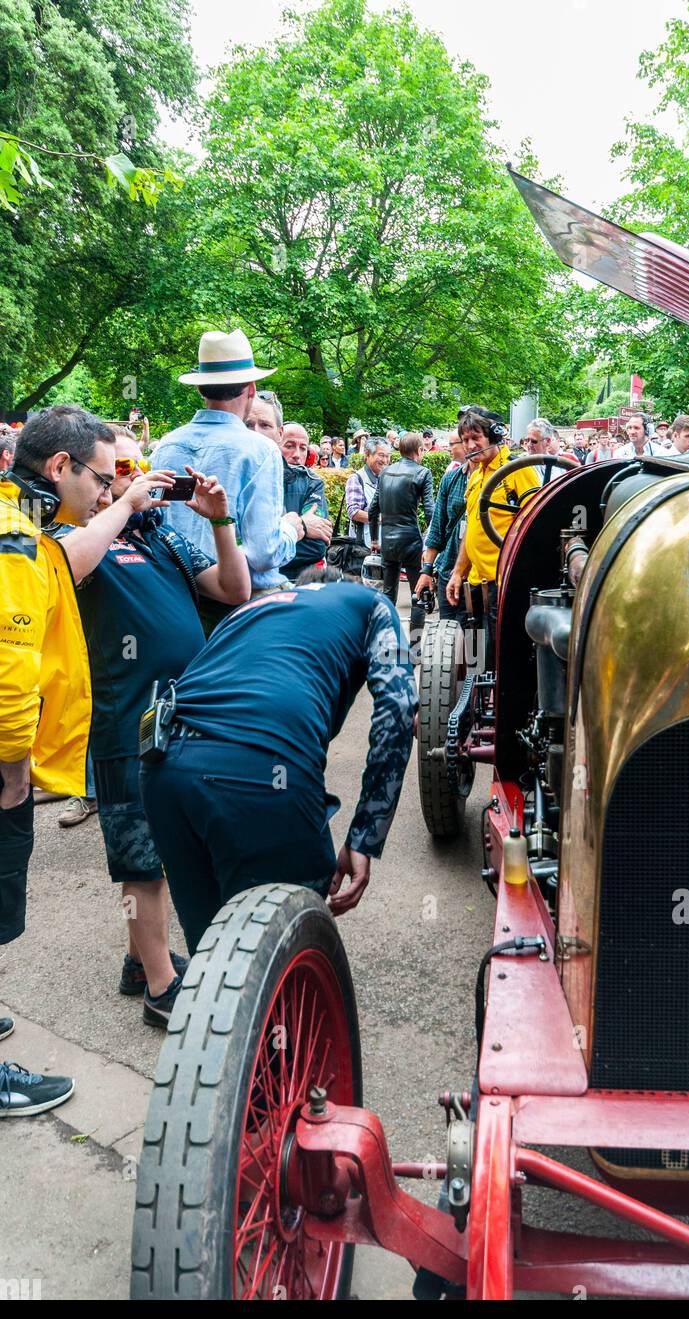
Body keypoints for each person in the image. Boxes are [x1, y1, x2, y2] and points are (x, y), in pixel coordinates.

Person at [57, 428, 250, 1026]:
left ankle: (142, 959)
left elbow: (234, 590)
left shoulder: (156, 533)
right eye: (115, 469)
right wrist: (124, 503)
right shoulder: (68, 536)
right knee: (139, 860)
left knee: (160, 846)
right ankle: (161, 990)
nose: (130, 475)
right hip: (123, 720)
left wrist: (221, 523)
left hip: (176, 714)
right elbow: (68, 566)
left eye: (133, 467)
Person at [139, 571, 418, 955]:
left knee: (211, 958)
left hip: (163, 764)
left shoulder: (249, 609)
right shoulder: (371, 604)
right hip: (261, 767)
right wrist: (365, 836)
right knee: (290, 945)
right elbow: (399, 707)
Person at [0, 404, 118, 1115]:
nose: (105, 493)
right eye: (100, 479)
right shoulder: (15, 539)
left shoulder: (22, 523)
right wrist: (14, 766)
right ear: (59, 468)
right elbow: (10, 666)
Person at [152, 329, 299, 633]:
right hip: (240, 612)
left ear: (200, 390)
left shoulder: (167, 445)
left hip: (173, 601)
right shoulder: (260, 450)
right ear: (251, 389)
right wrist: (293, 530)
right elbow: (263, 553)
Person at [445, 408, 539, 665]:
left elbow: (535, 524)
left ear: (494, 435)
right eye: (465, 440)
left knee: (503, 658)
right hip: (476, 582)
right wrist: (457, 571)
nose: (470, 445)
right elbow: (472, 528)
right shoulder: (476, 475)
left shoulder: (518, 470)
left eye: (476, 437)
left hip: (505, 582)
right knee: (477, 658)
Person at [246, 399, 332, 580]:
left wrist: (267, 548)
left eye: (303, 448)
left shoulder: (312, 482)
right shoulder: (247, 474)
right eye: (289, 446)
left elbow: (317, 547)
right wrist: (302, 526)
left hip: (296, 582)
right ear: (277, 440)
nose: (296, 455)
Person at [417, 428, 478, 623]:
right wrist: (427, 569)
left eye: (453, 444)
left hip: (479, 574)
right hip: (448, 569)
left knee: (477, 641)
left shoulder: (495, 479)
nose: (449, 448)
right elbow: (437, 528)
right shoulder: (450, 479)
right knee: (448, 636)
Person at [368, 432, 435, 606]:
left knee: (388, 594)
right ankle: (417, 634)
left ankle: (387, 632)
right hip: (411, 540)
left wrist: (374, 539)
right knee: (418, 594)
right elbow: (429, 511)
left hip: (387, 540)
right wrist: (434, 543)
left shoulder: (385, 472)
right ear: (419, 450)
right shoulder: (423, 473)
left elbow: (373, 509)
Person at [345, 436, 387, 547]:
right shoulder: (357, 478)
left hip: (384, 544)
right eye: (381, 455)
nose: (385, 460)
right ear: (367, 455)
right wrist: (382, 519)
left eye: (388, 456)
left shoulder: (385, 478)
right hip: (363, 546)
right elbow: (353, 512)